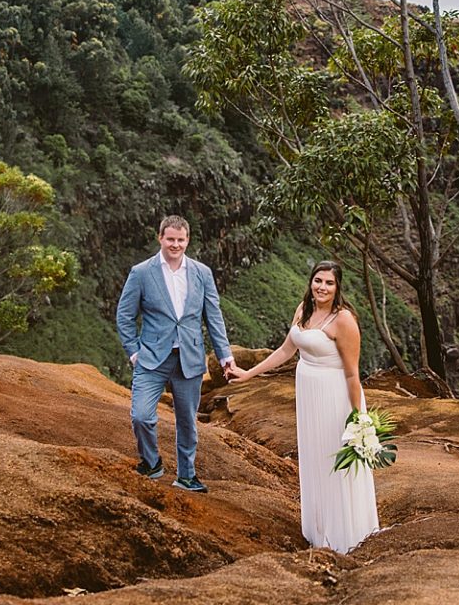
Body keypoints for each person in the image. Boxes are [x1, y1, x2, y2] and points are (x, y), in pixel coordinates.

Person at [226, 259, 379, 554]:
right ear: (311, 282)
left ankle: (345, 535)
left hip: (334, 394)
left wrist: (358, 416)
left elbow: (351, 372)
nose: (322, 287)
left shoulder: (344, 320)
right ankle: (318, 529)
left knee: (336, 461)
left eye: (329, 283)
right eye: (318, 281)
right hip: (308, 392)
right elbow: (286, 350)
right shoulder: (303, 309)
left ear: (338, 287)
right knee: (315, 456)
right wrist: (249, 373)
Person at [115, 214, 234, 493]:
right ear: (160, 238)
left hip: (189, 357)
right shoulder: (142, 272)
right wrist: (133, 352)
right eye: (170, 239)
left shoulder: (202, 273)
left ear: (187, 240)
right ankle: (152, 462)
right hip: (151, 357)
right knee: (141, 416)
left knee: (187, 422)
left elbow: (213, 317)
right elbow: (124, 316)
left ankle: (187, 475)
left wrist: (225, 354)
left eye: (181, 240)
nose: (175, 245)